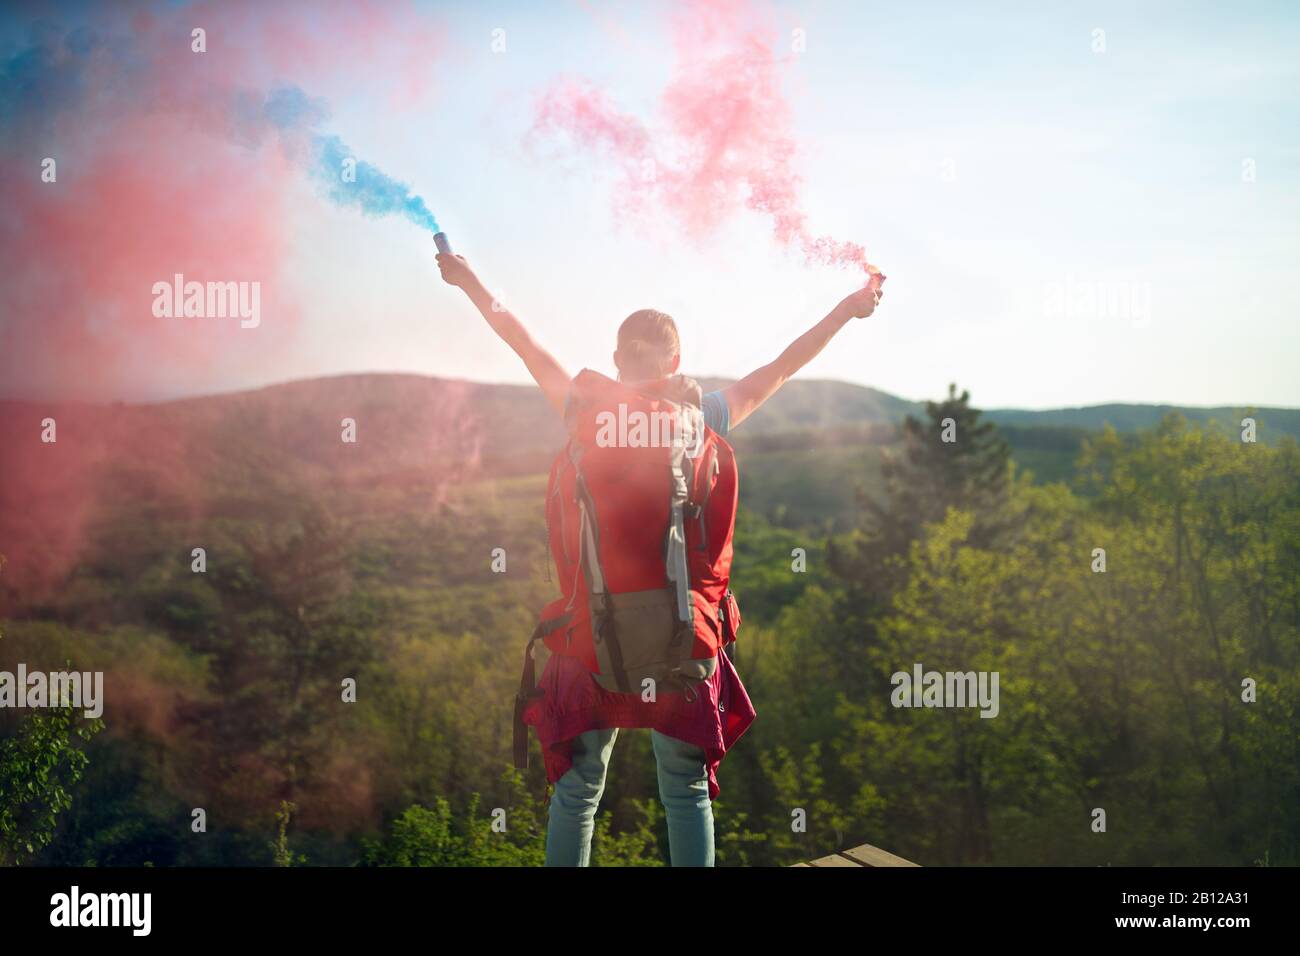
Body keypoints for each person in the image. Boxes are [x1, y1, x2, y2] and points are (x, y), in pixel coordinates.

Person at [437, 250, 885, 866]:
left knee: (577, 795)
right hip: (684, 643)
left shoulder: (583, 412)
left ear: (617, 360)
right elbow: (781, 368)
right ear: (676, 362)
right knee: (685, 792)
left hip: (590, 641)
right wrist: (848, 308)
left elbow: (522, 341)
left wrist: (468, 280)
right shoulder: (702, 417)